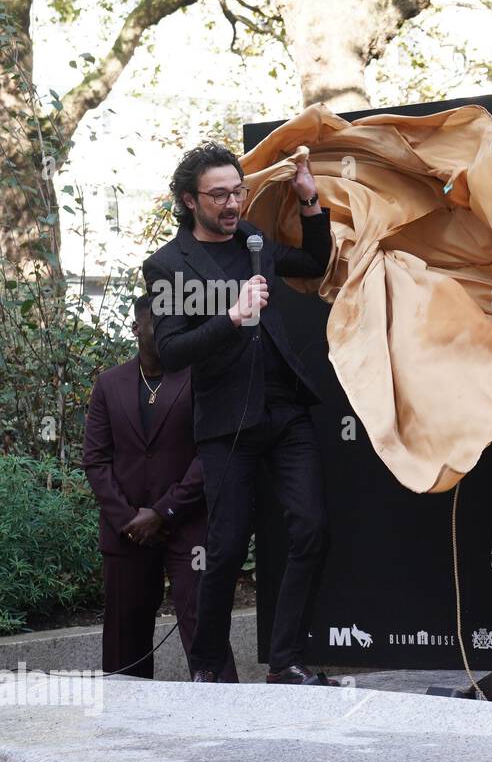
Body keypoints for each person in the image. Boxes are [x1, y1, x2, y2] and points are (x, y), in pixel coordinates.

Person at [143, 141, 335, 685]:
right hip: (228, 420)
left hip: (286, 410)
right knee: (226, 547)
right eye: (220, 194)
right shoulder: (168, 265)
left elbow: (314, 263)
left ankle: (287, 661)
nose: (233, 204)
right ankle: (207, 666)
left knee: (311, 529)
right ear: (188, 200)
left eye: (239, 191)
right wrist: (230, 317)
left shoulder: (254, 241)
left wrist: (309, 203)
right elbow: (171, 350)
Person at [83, 294, 237, 681]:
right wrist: (128, 518)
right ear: (137, 329)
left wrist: (164, 510)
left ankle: (228, 715)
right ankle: (122, 723)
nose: (170, 329)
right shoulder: (109, 384)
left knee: (204, 631)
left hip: (188, 526)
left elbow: (210, 454)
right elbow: (96, 460)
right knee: (124, 643)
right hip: (126, 533)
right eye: (159, 321)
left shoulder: (199, 378)